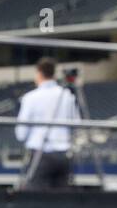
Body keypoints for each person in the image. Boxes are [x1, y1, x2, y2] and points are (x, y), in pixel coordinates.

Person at [15, 57, 79, 190]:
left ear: (39, 73)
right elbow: (76, 123)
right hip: (63, 154)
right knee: (62, 198)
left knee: (36, 199)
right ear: (54, 74)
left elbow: (21, 133)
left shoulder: (31, 98)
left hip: (41, 154)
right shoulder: (67, 95)